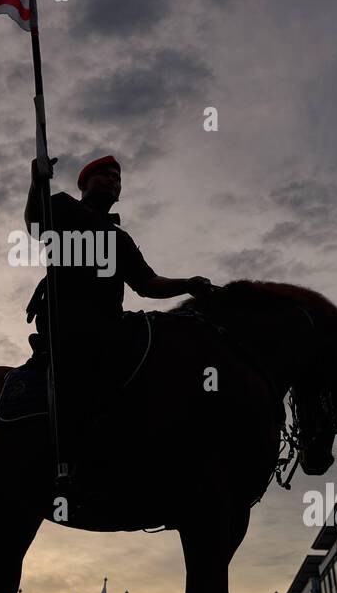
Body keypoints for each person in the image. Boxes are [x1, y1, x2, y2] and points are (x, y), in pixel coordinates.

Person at [24, 155, 212, 472]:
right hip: (69, 322)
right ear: (84, 183)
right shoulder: (65, 208)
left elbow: (148, 283)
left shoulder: (120, 239)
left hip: (110, 322)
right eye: (105, 175)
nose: (114, 181)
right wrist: (37, 181)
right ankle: (65, 463)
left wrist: (187, 284)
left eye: (118, 179)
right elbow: (34, 223)